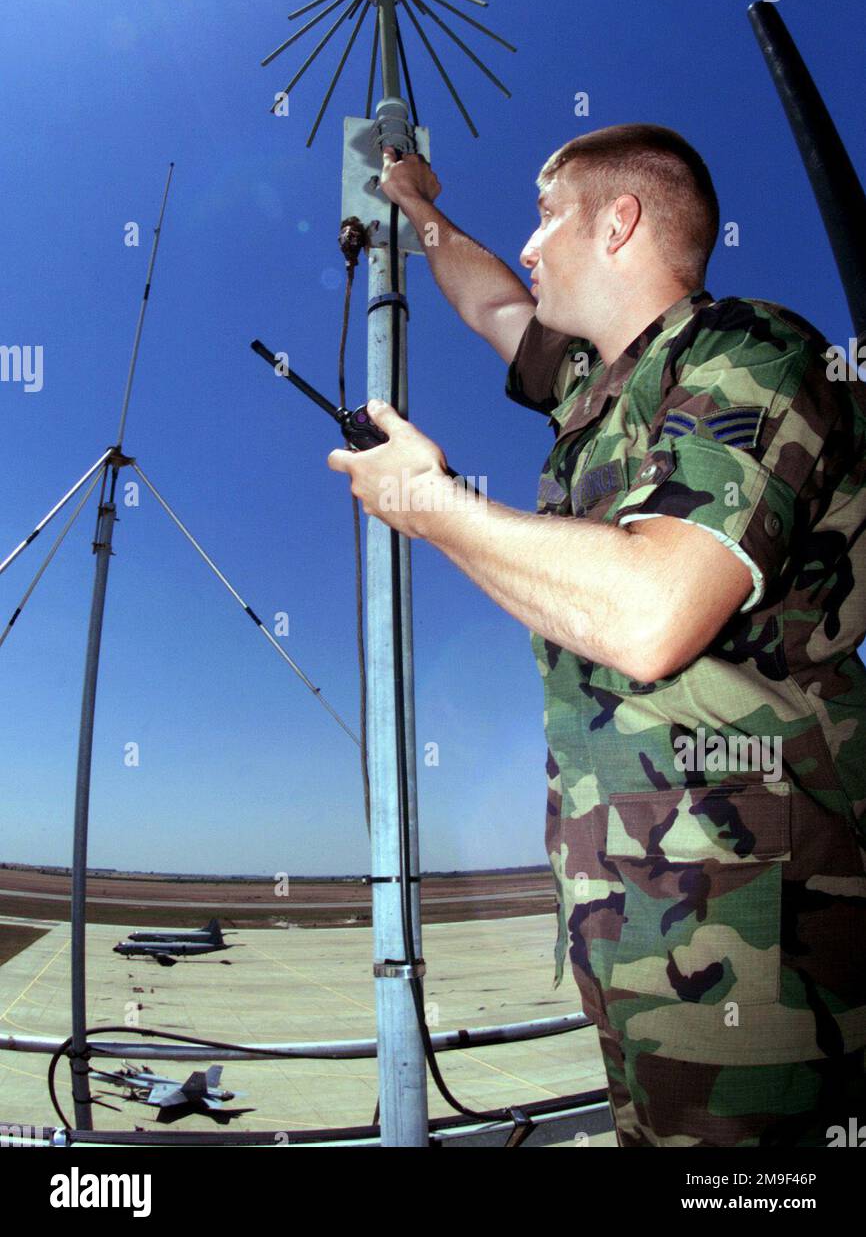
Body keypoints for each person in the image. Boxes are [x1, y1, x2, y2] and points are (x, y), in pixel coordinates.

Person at [327, 123, 866, 1147]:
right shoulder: (589, 389)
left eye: (545, 217)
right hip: (624, 913)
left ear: (618, 221)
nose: (528, 246)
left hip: (759, 930)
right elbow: (490, 301)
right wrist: (418, 210)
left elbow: (651, 611)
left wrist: (430, 506)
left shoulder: (745, 354)